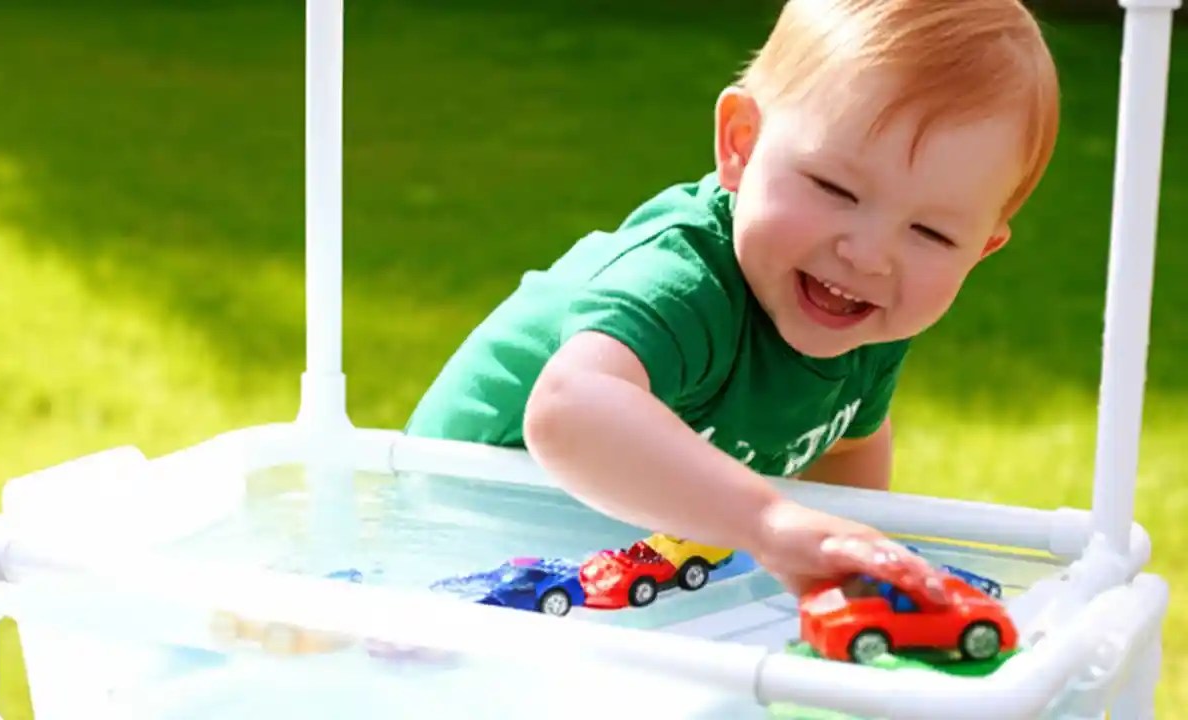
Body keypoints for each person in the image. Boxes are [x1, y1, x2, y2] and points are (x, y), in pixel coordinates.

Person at [405, 0, 1060, 601]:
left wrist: (842, 566)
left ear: (979, 250)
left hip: (604, 570)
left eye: (931, 233)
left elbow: (847, 443)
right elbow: (569, 410)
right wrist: (770, 522)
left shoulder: (870, 320)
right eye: (834, 187)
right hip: (447, 544)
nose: (868, 255)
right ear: (740, 145)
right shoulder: (683, 280)